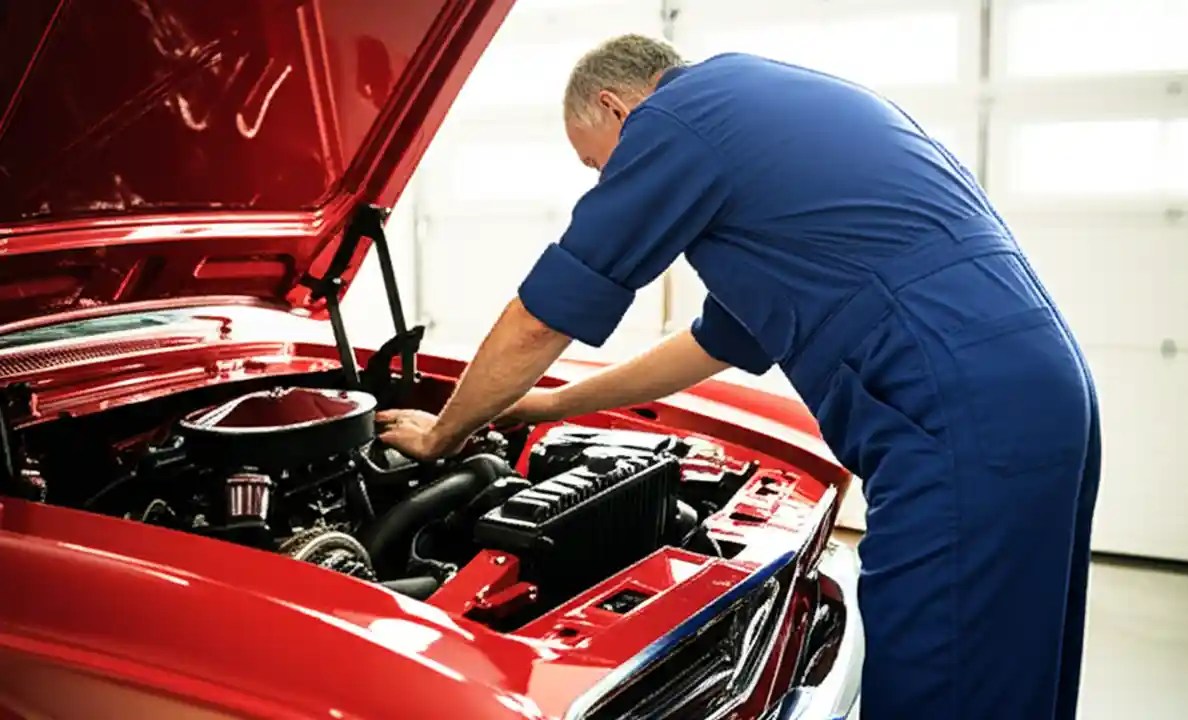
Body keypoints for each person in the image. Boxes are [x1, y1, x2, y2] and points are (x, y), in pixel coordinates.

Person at [377, 35, 1101, 720]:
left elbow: (543, 318)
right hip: (1035, 386)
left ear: (614, 108)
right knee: (1011, 666)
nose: (608, 185)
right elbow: (708, 345)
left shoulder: (676, 121)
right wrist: (553, 403)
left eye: (598, 166)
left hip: (956, 404)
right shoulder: (765, 113)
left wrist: (448, 431)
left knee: (938, 678)